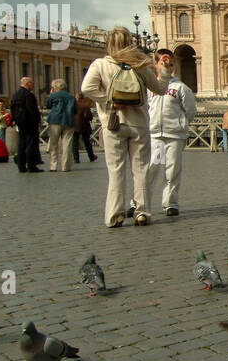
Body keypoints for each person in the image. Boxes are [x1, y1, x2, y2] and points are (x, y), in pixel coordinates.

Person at [80, 26, 168, 227]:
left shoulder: (100, 64)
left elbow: (87, 88)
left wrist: (109, 101)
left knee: (116, 171)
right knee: (141, 170)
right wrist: (163, 72)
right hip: (138, 125)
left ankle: (115, 215)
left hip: (113, 124)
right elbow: (160, 89)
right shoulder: (139, 65)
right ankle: (142, 212)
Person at [147, 48, 196, 217]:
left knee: (172, 170)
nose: (168, 66)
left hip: (174, 135)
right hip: (154, 134)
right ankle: (140, 203)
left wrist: (181, 124)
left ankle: (170, 203)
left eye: (172, 64)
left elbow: (190, 110)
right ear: (156, 64)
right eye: (164, 63)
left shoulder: (181, 87)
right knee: (151, 168)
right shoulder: (149, 87)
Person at [10, 78, 43, 173]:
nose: (33, 86)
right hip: (30, 122)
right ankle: (31, 165)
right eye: (32, 84)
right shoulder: (28, 95)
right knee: (31, 144)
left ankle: (21, 165)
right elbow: (32, 110)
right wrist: (37, 119)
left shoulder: (15, 94)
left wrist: (15, 120)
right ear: (28, 84)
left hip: (20, 122)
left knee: (22, 143)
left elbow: (12, 109)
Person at [45, 79, 78, 172]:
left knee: (53, 143)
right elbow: (75, 110)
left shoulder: (54, 95)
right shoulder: (71, 97)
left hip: (55, 120)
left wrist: (51, 94)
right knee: (67, 144)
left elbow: (48, 105)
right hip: (69, 121)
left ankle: (53, 165)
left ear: (55, 87)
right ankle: (66, 166)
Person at [73, 95, 97, 163]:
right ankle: (91, 156)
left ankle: (76, 158)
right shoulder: (85, 106)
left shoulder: (73, 105)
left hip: (74, 125)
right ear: (82, 98)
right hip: (84, 125)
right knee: (87, 142)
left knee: (75, 142)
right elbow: (89, 117)